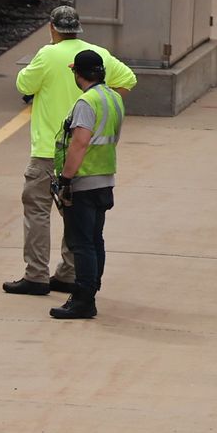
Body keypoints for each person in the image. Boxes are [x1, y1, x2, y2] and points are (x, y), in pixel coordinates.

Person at [4, 4, 136, 298]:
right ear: (78, 29)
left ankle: (36, 275)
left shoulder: (48, 54)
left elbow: (23, 84)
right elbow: (128, 80)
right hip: (84, 152)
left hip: (47, 150)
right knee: (74, 213)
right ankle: (68, 273)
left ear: (52, 28)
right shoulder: (97, 54)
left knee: (38, 210)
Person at [49, 49, 125, 321]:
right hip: (105, 179)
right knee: (95, 239)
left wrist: (65, 180)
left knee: (81, 243)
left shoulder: (86, 102)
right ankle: (90, 290)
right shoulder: (114, 98)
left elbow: (80, 142)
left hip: (83, 180)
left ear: (78, 74)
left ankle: (83, 299)